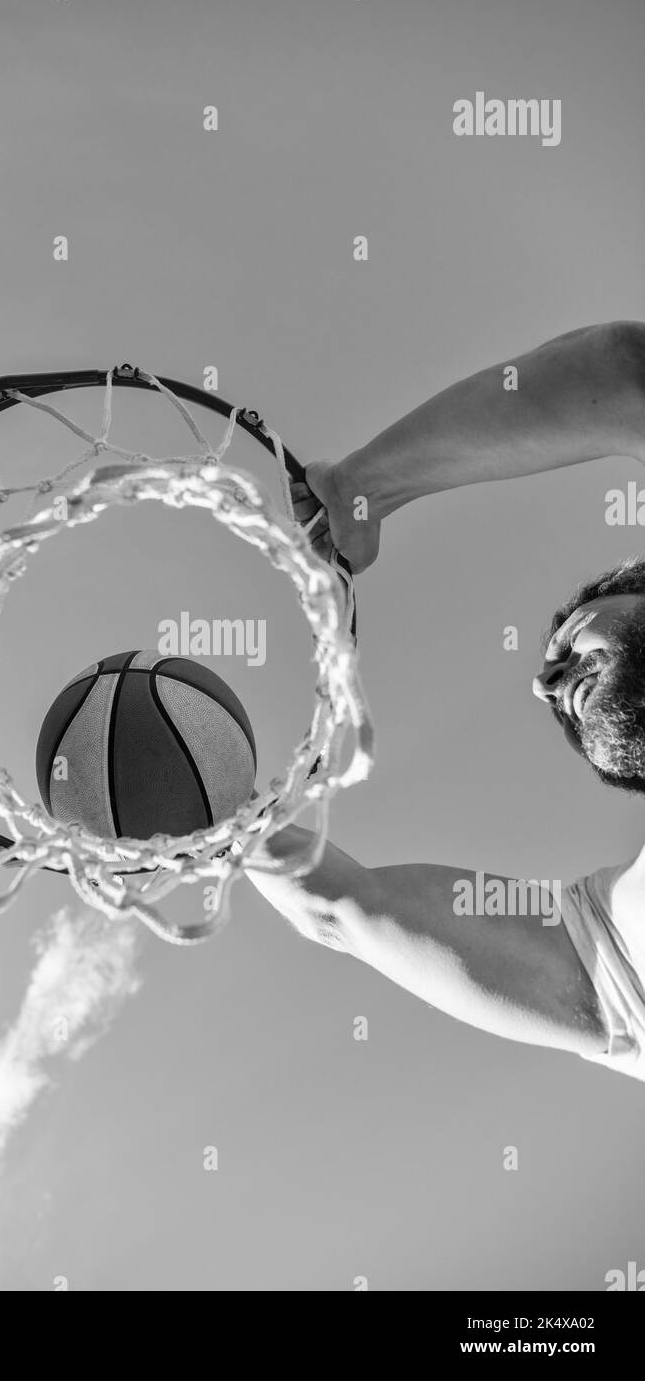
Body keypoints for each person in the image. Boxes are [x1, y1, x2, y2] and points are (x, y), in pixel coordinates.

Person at [245, 321, 645, 1080]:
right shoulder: (618, 941)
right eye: (556, 689)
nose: (545, 685)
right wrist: (222, 820)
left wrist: (371, 484)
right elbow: (344, 906)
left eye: (566, 643)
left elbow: (628, 378)